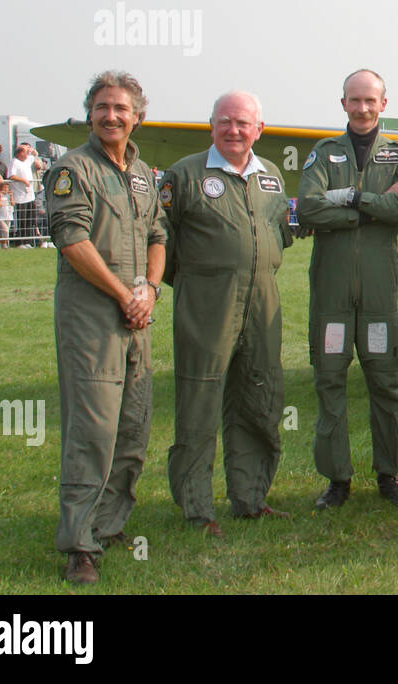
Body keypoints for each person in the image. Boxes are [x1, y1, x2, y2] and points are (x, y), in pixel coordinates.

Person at [45, 71, 165, 584]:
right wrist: (124, 295)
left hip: (138, 315)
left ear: (137, 115)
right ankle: (79, 543)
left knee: (133, 427)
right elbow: (71, 240)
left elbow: (159, 232)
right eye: (102, 107)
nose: (111, 116)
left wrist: (151, 291)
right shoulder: (73, 168)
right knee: (93, 431)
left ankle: (109, 524)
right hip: (94, 318)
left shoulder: (140, 173)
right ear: (90, 113)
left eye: (121, 108)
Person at [159, 91, 293, 535]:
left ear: (259, 129)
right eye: (225, 122)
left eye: (243, 123)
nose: (234, 131)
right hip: (206, 302)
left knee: (259, 395)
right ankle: (198, 508)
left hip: (262, 299)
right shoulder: (186, 174)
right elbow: (164, 243)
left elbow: (279, 233)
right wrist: (204, 282)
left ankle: (251, 497)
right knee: (200, 401)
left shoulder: (270, 176)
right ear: (211, 125)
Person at [296, 70, 398, 509]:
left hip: (378, 295)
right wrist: (370, 210)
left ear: (383, 104)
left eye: (370, 100)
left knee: (385, 382)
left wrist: (352, 199)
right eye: (355, 100)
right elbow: (310, 208)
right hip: (331, 293)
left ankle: (388, 476)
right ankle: (338, 479)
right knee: (330, 380)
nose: (363, 107)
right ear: (344, 103)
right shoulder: (323, 152)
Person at [8, 143, 38, 246]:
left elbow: (34, 155)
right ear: (20, 153)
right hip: (20, 197)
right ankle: (21, 241)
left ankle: (30, 240)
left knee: (31, 219)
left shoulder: (27, 160)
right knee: (22, 220)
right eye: (25, 152)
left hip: (30, 195)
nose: (27, 154)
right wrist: (23, 180)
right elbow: (11, 176)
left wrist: (32, 151)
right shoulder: (15, 162)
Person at [0, 182, 13, 247]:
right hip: (0, 217)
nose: (5, 189)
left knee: (4, 232)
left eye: (7, 188)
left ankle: (0, 244)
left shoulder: (9, 196)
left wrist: (11, 196)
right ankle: (4, 244)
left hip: (8, 216)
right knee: (5, 230)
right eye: (4, 187)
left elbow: (13, 203)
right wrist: (0, 197)